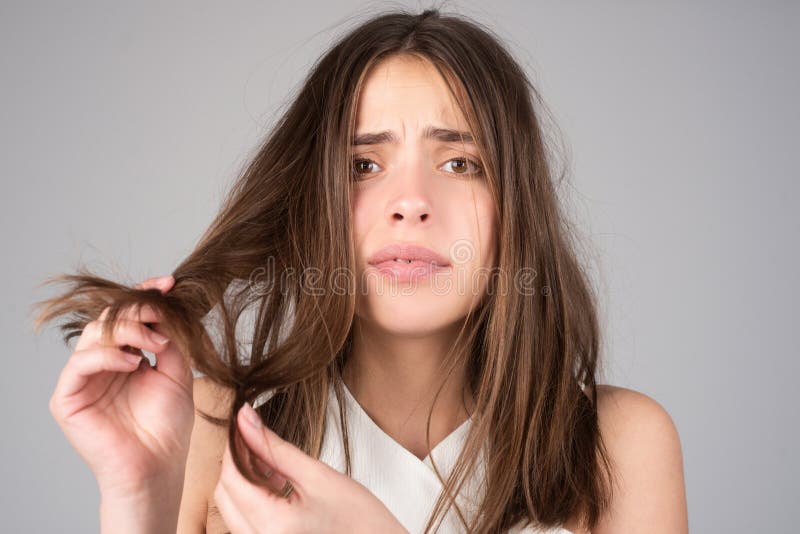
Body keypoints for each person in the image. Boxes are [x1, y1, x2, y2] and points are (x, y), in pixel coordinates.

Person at [33, 8, 688, 534]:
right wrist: (137, 496)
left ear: (518, 207)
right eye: (363, 166)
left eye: (461, 163)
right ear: (309, 199)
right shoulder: (208, 429)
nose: (411, 203)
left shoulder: (619, 442)